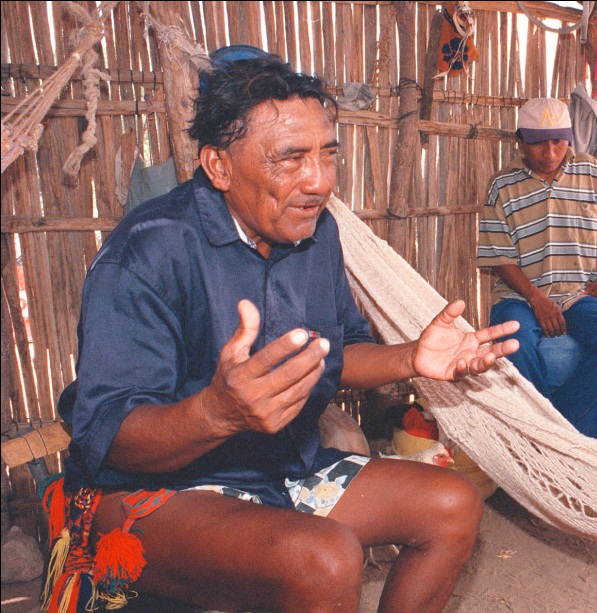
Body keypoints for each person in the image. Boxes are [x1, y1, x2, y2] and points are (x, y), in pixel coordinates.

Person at [44, 53, 521, 613]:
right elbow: (106, 434)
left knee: (452, 504)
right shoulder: (148, 254)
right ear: (219, 167)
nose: (318, 182)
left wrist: (412, 358)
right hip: (151, 489)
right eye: (290, 159)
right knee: (325, 559)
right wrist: (217, 413)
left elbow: (336, 353)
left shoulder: (315, 234)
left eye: (327, 155)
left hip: (277, 463)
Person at [476, 97, 597, 437]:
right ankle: (552, 427)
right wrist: (536, 299)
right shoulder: (502, 186)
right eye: (538, 142)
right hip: (520, 297)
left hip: (580, 294)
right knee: (514, 342)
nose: (550, 152)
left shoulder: (591, 171)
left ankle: (552, 425)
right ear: (520, 141)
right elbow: (500, 257)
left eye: (558, 140)